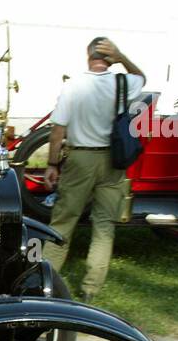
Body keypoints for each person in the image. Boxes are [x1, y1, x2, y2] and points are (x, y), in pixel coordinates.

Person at [41, 38, 146, 301]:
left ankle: (44, 281)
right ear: (109, 58)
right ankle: (90, 290)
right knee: (104, 226)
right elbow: (141, 77)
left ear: (87, 56)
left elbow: (57, 132)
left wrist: (52, 164)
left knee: (63, 222)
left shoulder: (73, 86)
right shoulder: (123, 84)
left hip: (80, 158)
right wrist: (122, 56)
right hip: (113, 160)